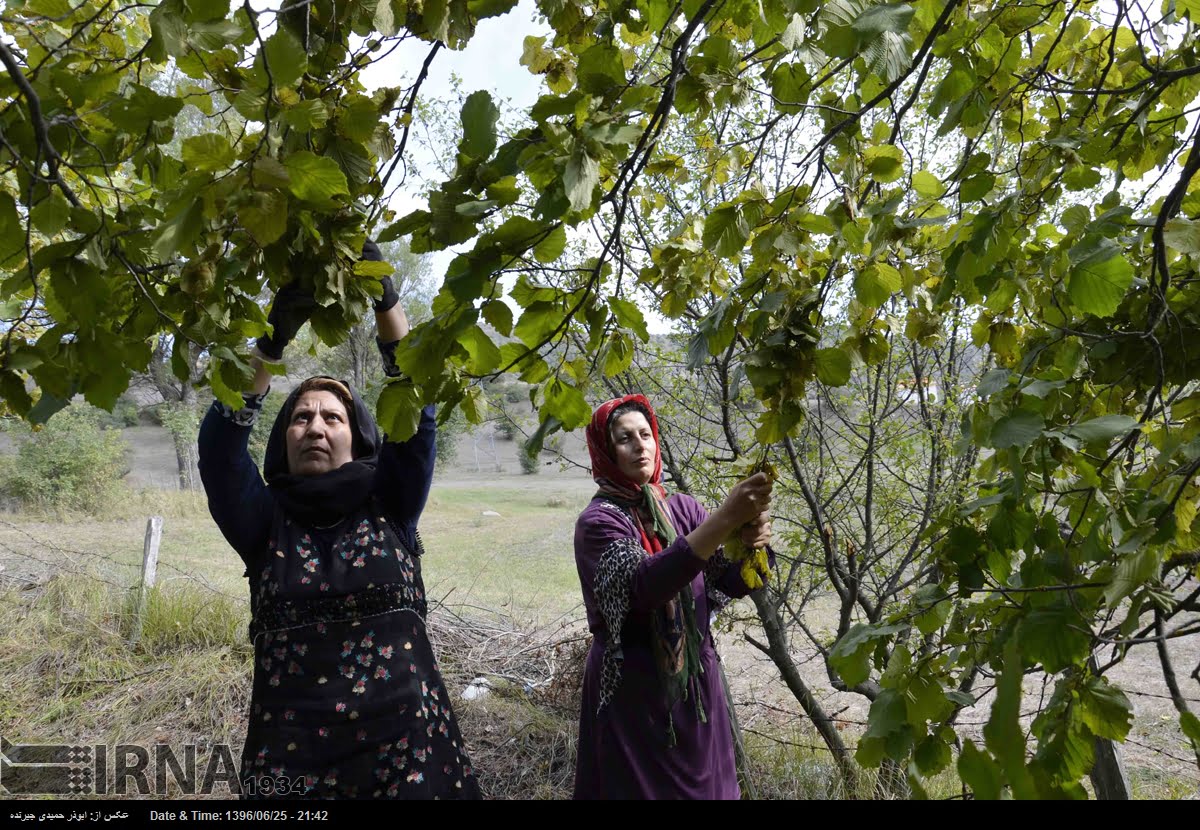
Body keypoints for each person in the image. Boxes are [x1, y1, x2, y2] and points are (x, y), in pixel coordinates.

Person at [198, 241, 479, 800]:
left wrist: (386, 300)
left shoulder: (391, 501)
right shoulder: (263, 521)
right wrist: (271, 344)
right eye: (301, 417)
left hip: (410, 756)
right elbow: (219, 450)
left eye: (333, 416)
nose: (316, 426)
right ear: (282, 438)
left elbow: (416, 410)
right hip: (292, 760)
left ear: (358, 436)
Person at [572, 394, 774, 800]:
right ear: (606, 451)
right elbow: (645, 586)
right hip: (635, 691)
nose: (639, 445)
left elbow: (730, 583)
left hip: (695, 690)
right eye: (624, 438)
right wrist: (724, 519)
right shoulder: (599, 523)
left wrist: (754, 545)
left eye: (645, 435)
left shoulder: (682, 510)